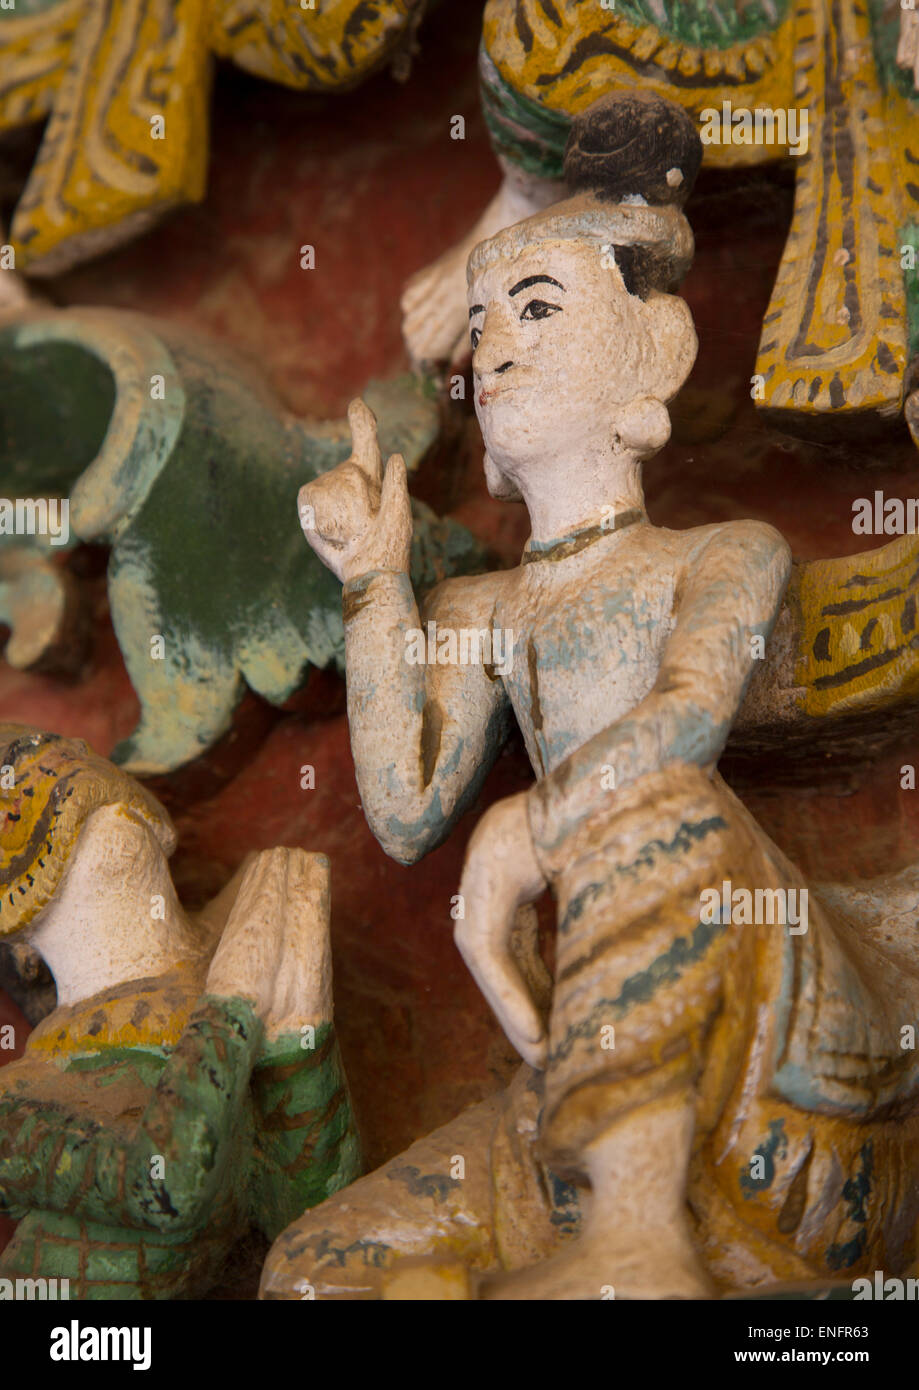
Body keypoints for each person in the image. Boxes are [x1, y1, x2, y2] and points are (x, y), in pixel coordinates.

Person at [290, 92, 919, 1298]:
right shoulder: (479, 610)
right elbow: (406, 810)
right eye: (481, 323)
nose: (496, 347)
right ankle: (595, 1218)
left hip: (750, 1014)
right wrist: (375, 586)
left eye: (538, 307)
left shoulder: (714, 555)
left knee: (658, 802)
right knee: (319, 1265)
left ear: (651, 350)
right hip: (582, 1036)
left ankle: (642, 1234)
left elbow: (683, 719)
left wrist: (529, 822)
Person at [0, 725, 360, 1298]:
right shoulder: (20, 1104)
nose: (36, 767)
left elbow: (307, 1222)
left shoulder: (245, 932)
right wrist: (232, 1005)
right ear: (19, 954)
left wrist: (301, 1033)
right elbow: (159, 1187)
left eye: (59, 752)